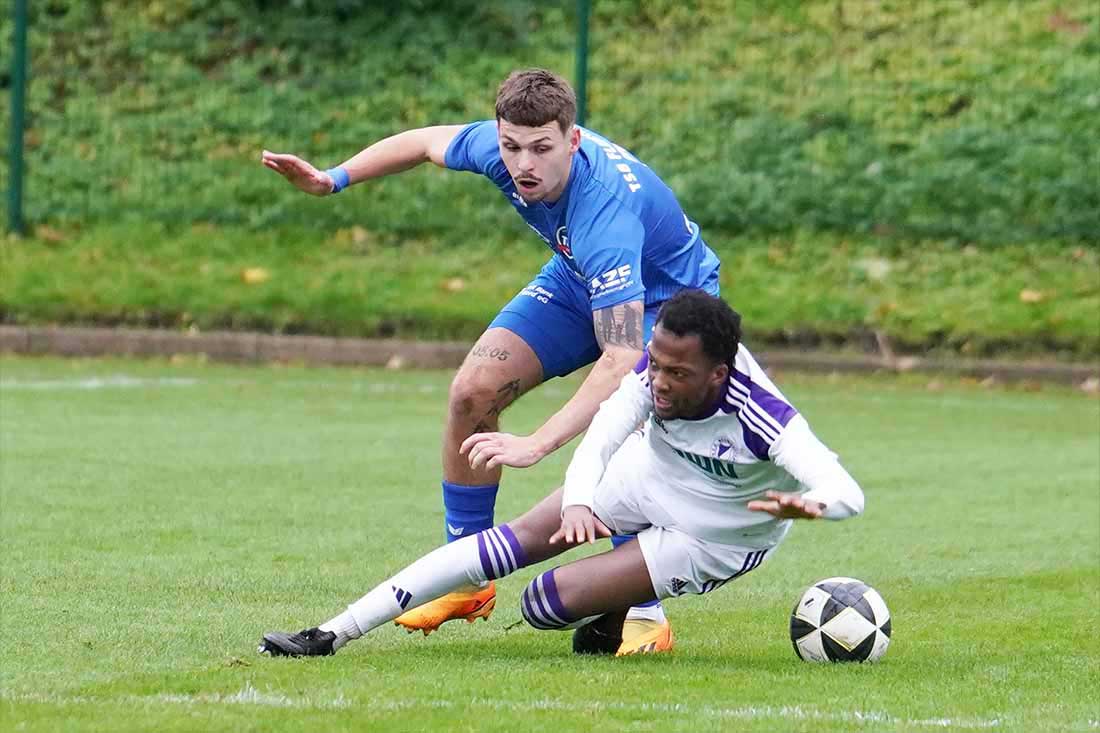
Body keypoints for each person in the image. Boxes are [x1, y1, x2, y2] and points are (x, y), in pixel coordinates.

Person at [261, 68, 721, 652]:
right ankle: (464, 577)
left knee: (630, 440)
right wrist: (333, 179)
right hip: (578, 278)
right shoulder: (505, 149)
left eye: (541, 149)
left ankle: (644, 612)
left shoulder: (606, 214)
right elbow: (423, 142)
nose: (523, 164)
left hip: (667, 305)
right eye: (511, 146)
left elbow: (620, 356)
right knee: (472, 391)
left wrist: (539, 443)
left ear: (573, 140)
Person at [259, 291, 865, 658]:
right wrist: (578, 502)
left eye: (677, 374)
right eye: (656, 364)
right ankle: (331, 633)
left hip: (714, 537)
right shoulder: (653, 373)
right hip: (646, 475)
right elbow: (602, 437)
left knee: (543, 605)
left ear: (718, 374)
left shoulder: (763, 415)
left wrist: (812, 506)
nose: (658, 381)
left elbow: (847, 493)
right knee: (509, 543)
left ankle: (617, 611)